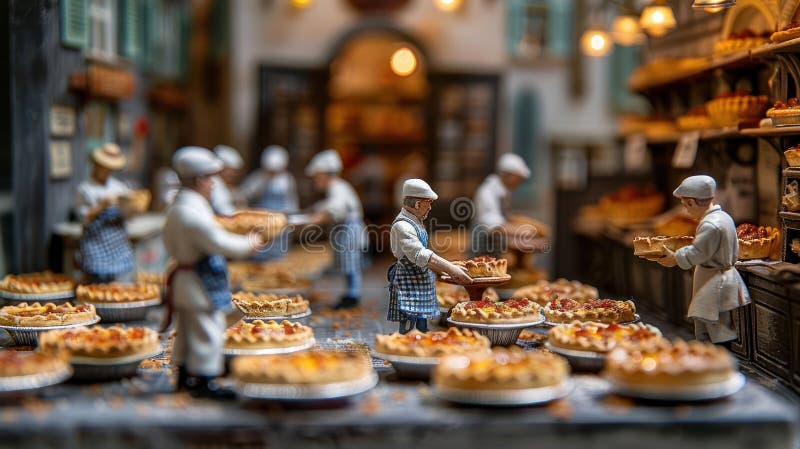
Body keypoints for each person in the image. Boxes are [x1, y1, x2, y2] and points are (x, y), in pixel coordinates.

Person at [163, 146, 266, 399]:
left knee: (187, 332)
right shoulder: (191, 213)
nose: (213, 184)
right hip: (198, 282)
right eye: (210, 178)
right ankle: (205, 381)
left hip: (188, 281)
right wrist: (250, 243)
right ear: (199, 180)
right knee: (209, 330)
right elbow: (217, 241)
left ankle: (185, 376)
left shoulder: (180, 207)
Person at [654, 175, 751, 345]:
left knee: (715, 327)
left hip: (714, 281)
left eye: (686, 205)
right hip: (715, 277)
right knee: (706, 322)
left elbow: (699, 251)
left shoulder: (710, 225)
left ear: (692, 202)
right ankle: (709, 354)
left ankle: (718, 359)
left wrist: (675, 258)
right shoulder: (724, 217)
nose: (686, 211)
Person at [387, 179, 473, 333]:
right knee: (409, 317)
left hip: (420, 276)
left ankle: (422, 338)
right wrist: (450, 268)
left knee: (422, 318)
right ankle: (407, 343)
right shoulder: (403, 226)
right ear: (418, 204)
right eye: (429, 203)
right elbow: (420, 255)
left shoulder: (416, 221)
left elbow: (426, 259)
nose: (430, 207)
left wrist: (446, 270)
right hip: (409, 277)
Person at [305, 149, 365, 309]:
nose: (316, 181)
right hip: (344, 231)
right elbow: (328, 205)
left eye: (317, 178)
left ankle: (353, 294)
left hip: (349, 231)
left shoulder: (337, 187)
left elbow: (335, 208)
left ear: (326, 175)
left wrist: (315, 220)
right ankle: (351, 292)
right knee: (347, 263)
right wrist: (315, 210)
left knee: (350, 264)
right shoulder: (338, 187)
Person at [74, 143, 136, 283]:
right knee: (97, 287)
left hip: (119, 246)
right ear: (96, 165)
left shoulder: (118, 187)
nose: (107, 171)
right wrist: (102, 205)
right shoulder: (85, 189)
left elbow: (128, 217)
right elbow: (84, 217)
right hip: (96, 246)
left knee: (120, 287)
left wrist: (133, 207)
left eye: (110, 169)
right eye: (104, 167)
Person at [238, 145, 299, 260]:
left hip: (281, 225)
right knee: (258, 253)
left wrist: (292, 219)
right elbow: (243, 196)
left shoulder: (287, 179)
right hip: (261, 224)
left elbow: (291, 201)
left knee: (278, 257)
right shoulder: (257, 178)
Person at [471, 153, 532, 258]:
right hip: (482, 252)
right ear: (507, 175)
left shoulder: (503, 193)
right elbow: (493, 225)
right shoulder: (487, 192)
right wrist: (521, 231)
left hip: (494, 250)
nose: (519, 183)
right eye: (518, 178)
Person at [210, 145, 244, 216]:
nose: (233, 175)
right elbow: (225, 211)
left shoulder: (221, 182)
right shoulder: (214, 183)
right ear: (221, 167)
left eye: (235, 172)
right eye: (231, 171)